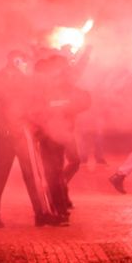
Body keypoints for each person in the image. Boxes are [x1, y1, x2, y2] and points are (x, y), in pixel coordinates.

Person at [0, 50, 50, 227]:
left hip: (15, 131)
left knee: (26, 174)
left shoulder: (11, 79)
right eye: (23, 62)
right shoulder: (6, 80)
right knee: (6, 174)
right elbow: (14, 105)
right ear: (15, 62)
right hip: (13, 132)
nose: (26, 65)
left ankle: (39, 213)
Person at [29, 51, 91, 223]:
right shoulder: (46, 85)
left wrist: (65, 109)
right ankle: (59, 208)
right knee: (53, 171)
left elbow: (81, 100)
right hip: (48, 133)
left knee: (55, 171)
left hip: (59, 132)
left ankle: (60, 208)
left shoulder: (62, 85)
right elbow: (35, 107)